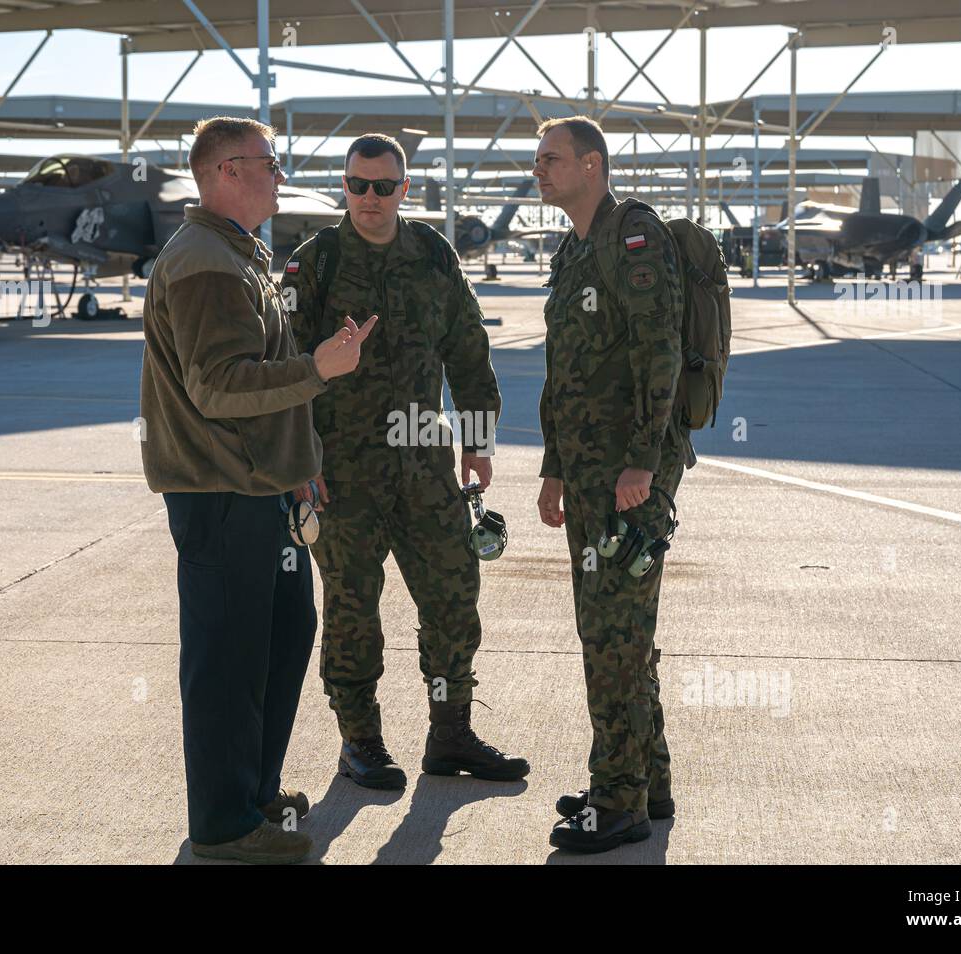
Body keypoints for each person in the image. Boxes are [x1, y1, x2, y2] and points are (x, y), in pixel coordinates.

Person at [140, 115, 376, 864]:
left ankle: (251, 797)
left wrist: (298, 459)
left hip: (260, 489)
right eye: (269, 165)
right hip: (220, 496)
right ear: (227, 173)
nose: (279, 176)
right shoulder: (208, 262)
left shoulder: (236, 252)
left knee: (278, 642)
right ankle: (222, 830)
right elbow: (219, 386)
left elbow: (253, 378)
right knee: (227, 662)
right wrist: (320, 368)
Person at [281, 133, 529, 791]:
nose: (370, 197)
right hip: (342, 479)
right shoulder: (317, 263)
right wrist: (301, 462)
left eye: (384, 186)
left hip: (426, 469)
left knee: (454, 599)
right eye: (358, 185)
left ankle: (451, 735)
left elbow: (469, 353)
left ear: (405, 189)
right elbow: (282, 372)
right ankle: (360, 742)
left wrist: (477, 442)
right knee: (353, 610)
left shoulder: (433, 256)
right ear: (344, 186)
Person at [532, 116, 689, 854]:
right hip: (589, 476)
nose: (540, 169)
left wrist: (642, 462)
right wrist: (554, 468)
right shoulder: (572, 251)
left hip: (629, 479)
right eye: (538, 159)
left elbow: (661, 351)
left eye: (552, 158)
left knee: (613, 636)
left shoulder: (634, 236)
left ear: (592, 165)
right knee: (619, 633)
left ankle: (616, 801)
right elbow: (560, 369)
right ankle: (644, 782)